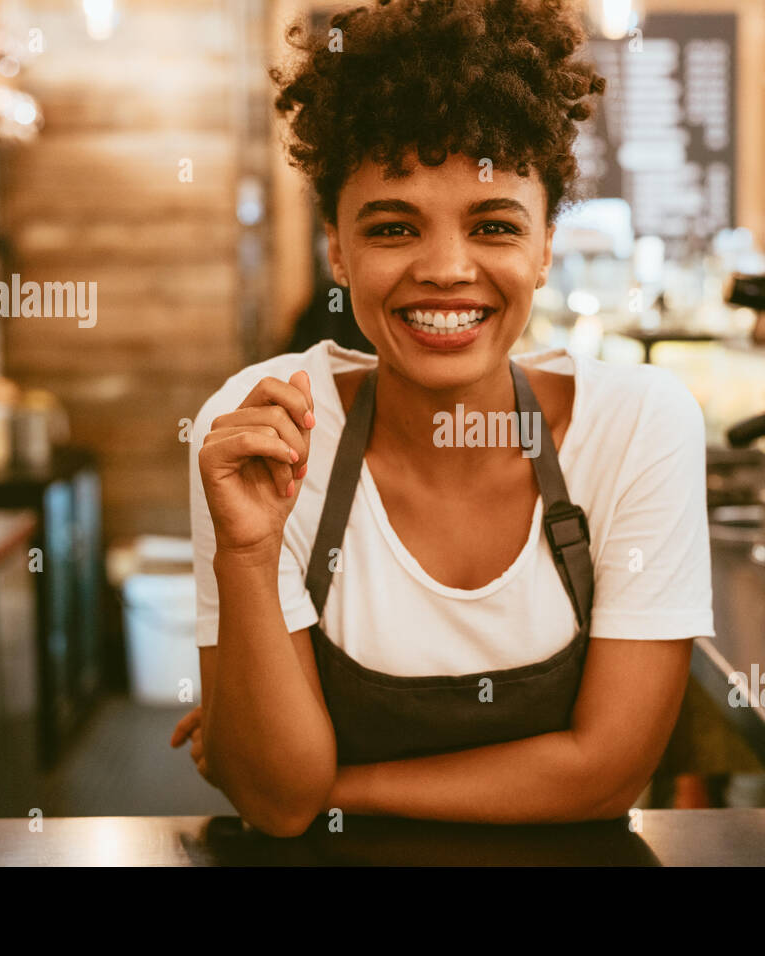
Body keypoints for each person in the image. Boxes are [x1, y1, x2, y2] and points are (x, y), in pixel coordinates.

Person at [171, 0, 714, 837]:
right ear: (338, 252)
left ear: (544, 248)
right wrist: (247, 553)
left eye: (494, 225)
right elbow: (277, 808)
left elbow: (608, 772)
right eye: (393, 227)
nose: (447, 271)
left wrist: (333, 784)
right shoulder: (267, 428)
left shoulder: (640, 424)